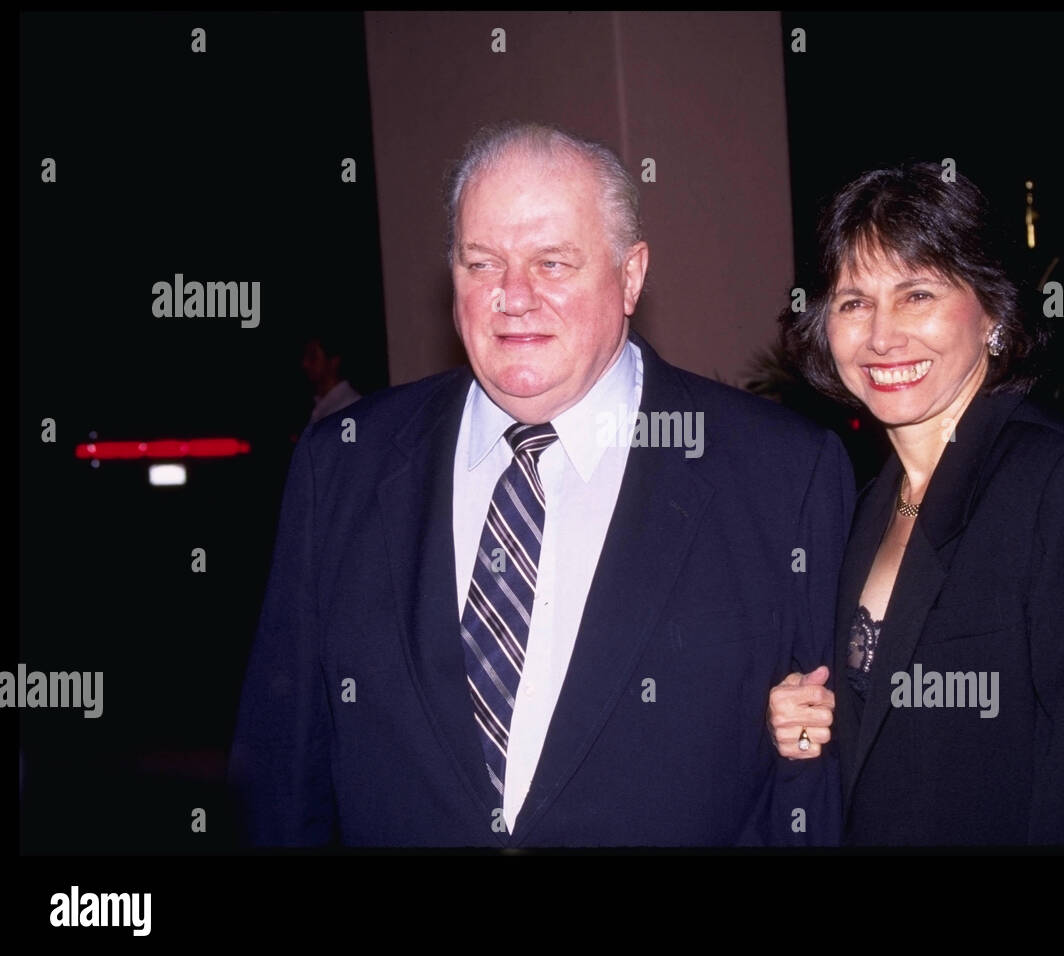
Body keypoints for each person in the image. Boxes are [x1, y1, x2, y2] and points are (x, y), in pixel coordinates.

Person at [229, 121, 854, 847]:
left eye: (553, 263)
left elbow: (812, 779)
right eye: (481, 263)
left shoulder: (780, 475)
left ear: (630, 275)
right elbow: (283, 766)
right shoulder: (342, 462)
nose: (513, 297)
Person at [767, 162, 1064, 844]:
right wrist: (811, 717)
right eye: (853, 302)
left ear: (992, 310)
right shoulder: (869, 502)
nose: (882, 336)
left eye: (917, 295)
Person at [301, 332, 362, 425]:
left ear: (334, 361)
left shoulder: (349, 405)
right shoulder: (320, 405)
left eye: (313, 357)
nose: (305, 364)